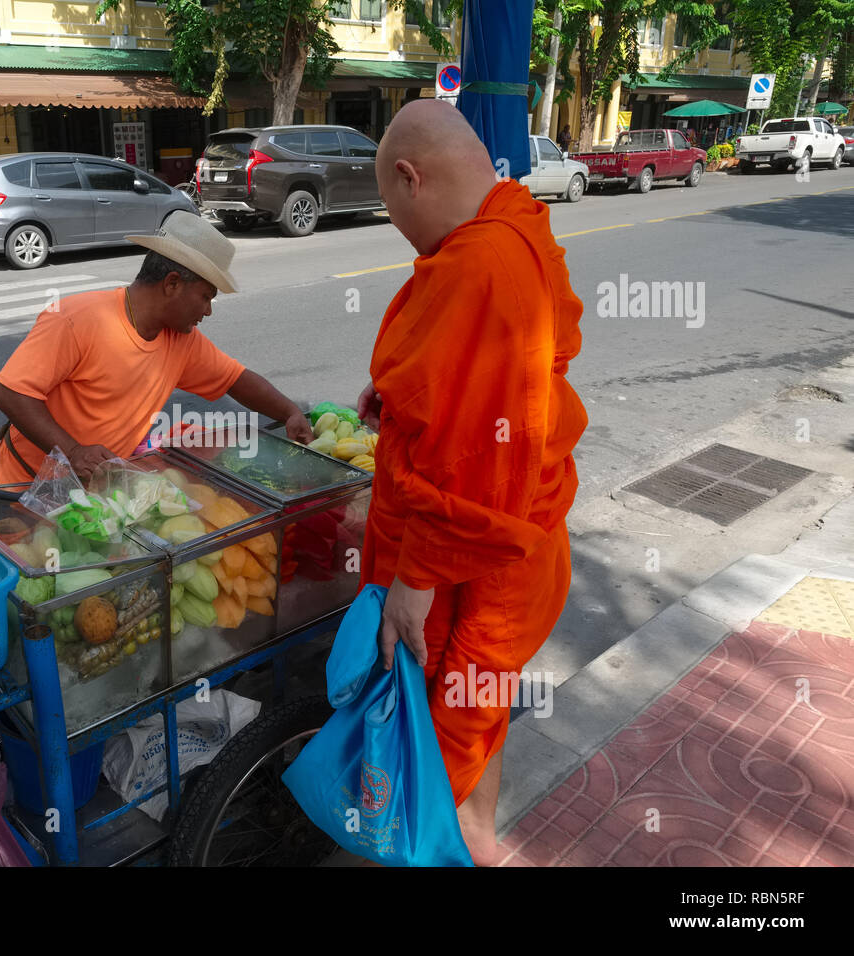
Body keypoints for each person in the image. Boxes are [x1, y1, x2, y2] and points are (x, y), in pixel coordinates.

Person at [355, 100, 587, 865]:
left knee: (441, 743)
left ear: (408, 178)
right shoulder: (512, 220)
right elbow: (469, 387)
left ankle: (446, 847)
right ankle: (482, 841)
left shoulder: (482, 264)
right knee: (477, 712)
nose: (398, 226)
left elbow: (480, 460)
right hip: (515, 553)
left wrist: (416, 578)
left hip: (476, 565)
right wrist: (392, 399)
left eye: (390, 206)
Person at [0, 210, 313, 483]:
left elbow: (236, 380)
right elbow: (11, 392)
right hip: (27, 482)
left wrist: (289, 412)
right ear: (172, 283)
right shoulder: (77, 319)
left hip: (92, 485)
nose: (208, 310)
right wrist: (73, 451)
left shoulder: (181, 341)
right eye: (206, 297)